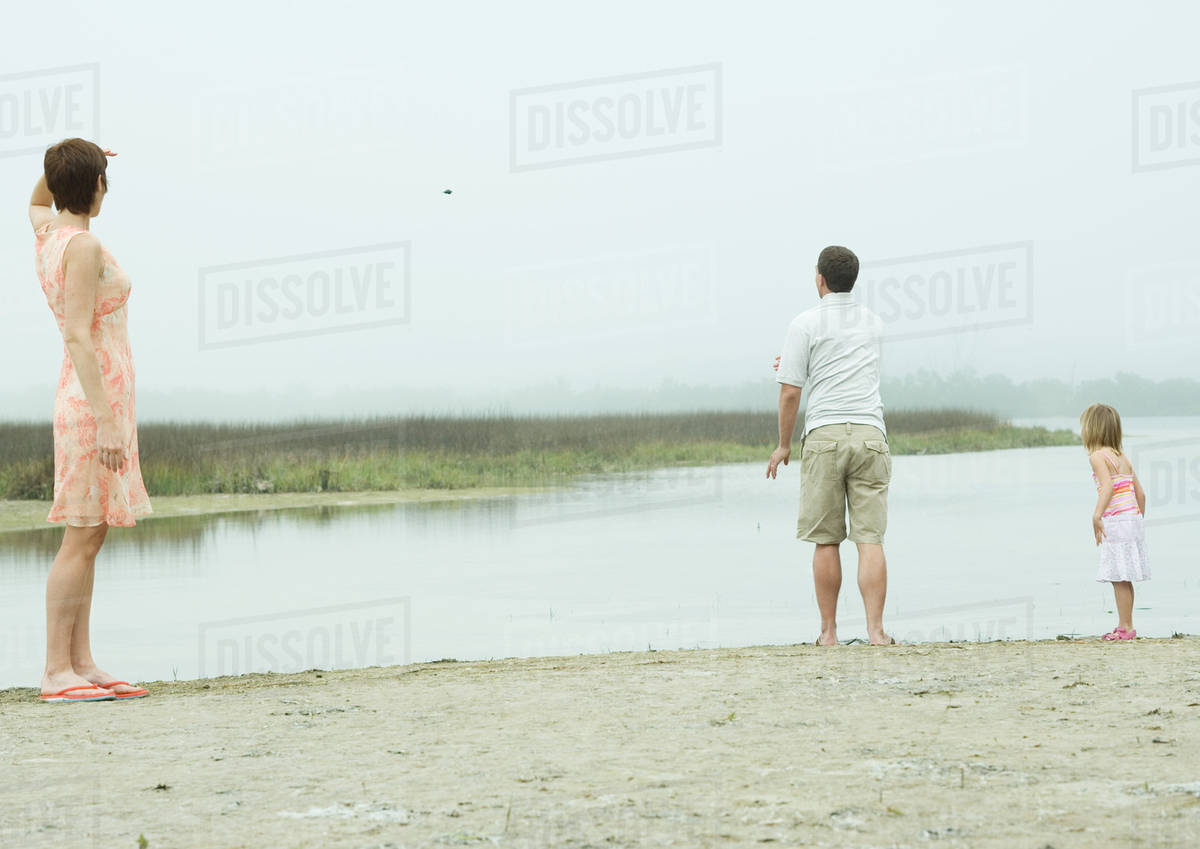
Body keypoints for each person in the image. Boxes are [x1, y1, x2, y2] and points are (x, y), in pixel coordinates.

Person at [30, 138, 152, 702]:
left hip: (98, 402)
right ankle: (57, 671)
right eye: (103, 178)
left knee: (93, 531)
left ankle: (82, 661)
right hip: (89, 405)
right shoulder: (80, 244)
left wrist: (66, 161)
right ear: (97, 186)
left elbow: (37, 200)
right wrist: (106, 421)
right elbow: (78, 332)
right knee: (79, 537)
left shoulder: (48, 230)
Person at [767, 246, 893, 646]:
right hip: (871, 434)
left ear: (820, 279)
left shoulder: (804, 323)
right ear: (852, 281)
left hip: (824, 435)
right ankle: (876, 632)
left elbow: (790, 393)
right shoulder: (874, 323)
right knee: (869, 538)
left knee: (826, 539)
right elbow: (850, 365)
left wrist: (783, 445)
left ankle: (828, 633)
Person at [1080, 403, 1149, 640]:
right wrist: (1136, 521)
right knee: (1124, 576)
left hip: (1117, 521)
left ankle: (1126, 628)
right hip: (1132, 520)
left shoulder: (1097, 457)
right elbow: (1140, 494)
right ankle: (1126, 625)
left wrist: (1097, 515)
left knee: (1118, 577)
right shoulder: (1123, 457)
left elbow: (1107, 487)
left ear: (1092, 430)